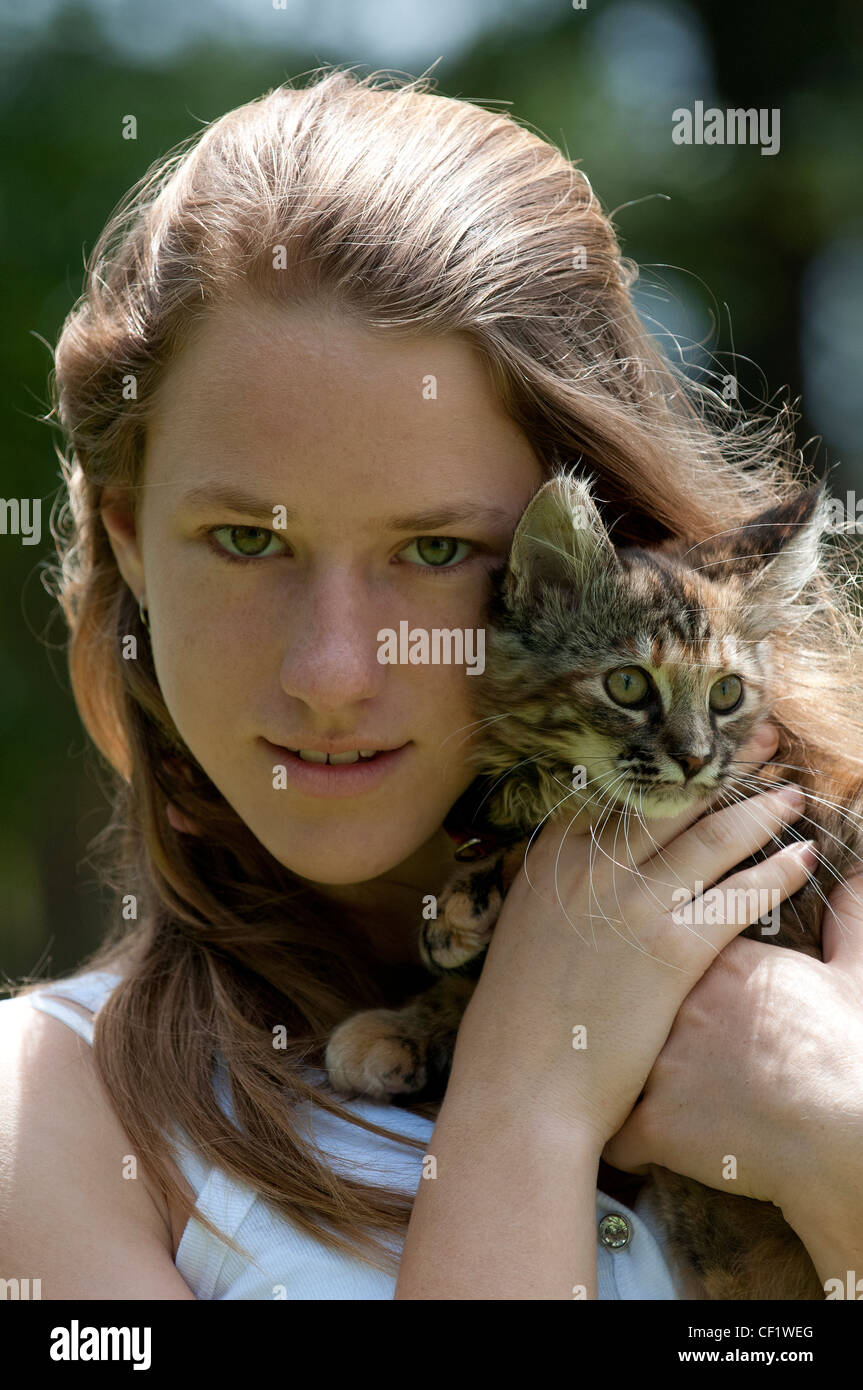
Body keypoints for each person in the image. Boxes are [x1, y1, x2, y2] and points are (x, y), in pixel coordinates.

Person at [2, 66, 862, 1301]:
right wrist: (529, 1090)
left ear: (592, 554)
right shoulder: (48, 1127)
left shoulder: (834, 925)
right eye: (247, 540)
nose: (334, 672)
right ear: (131, 539)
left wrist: (830, 1135)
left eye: (435, 551)